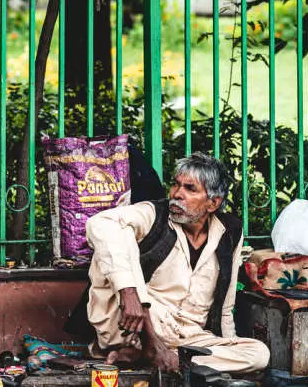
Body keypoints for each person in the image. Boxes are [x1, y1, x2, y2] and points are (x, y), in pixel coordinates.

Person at [85, 152, 269, 373]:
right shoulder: (154, 214)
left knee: (259, 354)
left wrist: (227, 344)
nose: (177, 194)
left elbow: (226, 303)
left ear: (213, 203)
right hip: (137, 328)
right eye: (176, 185)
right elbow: (100, 224)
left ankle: (164, 360)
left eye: (190, 189)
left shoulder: (229, 231)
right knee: (119, 233)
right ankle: (152, 352)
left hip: (189, 339)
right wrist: (129, 292)